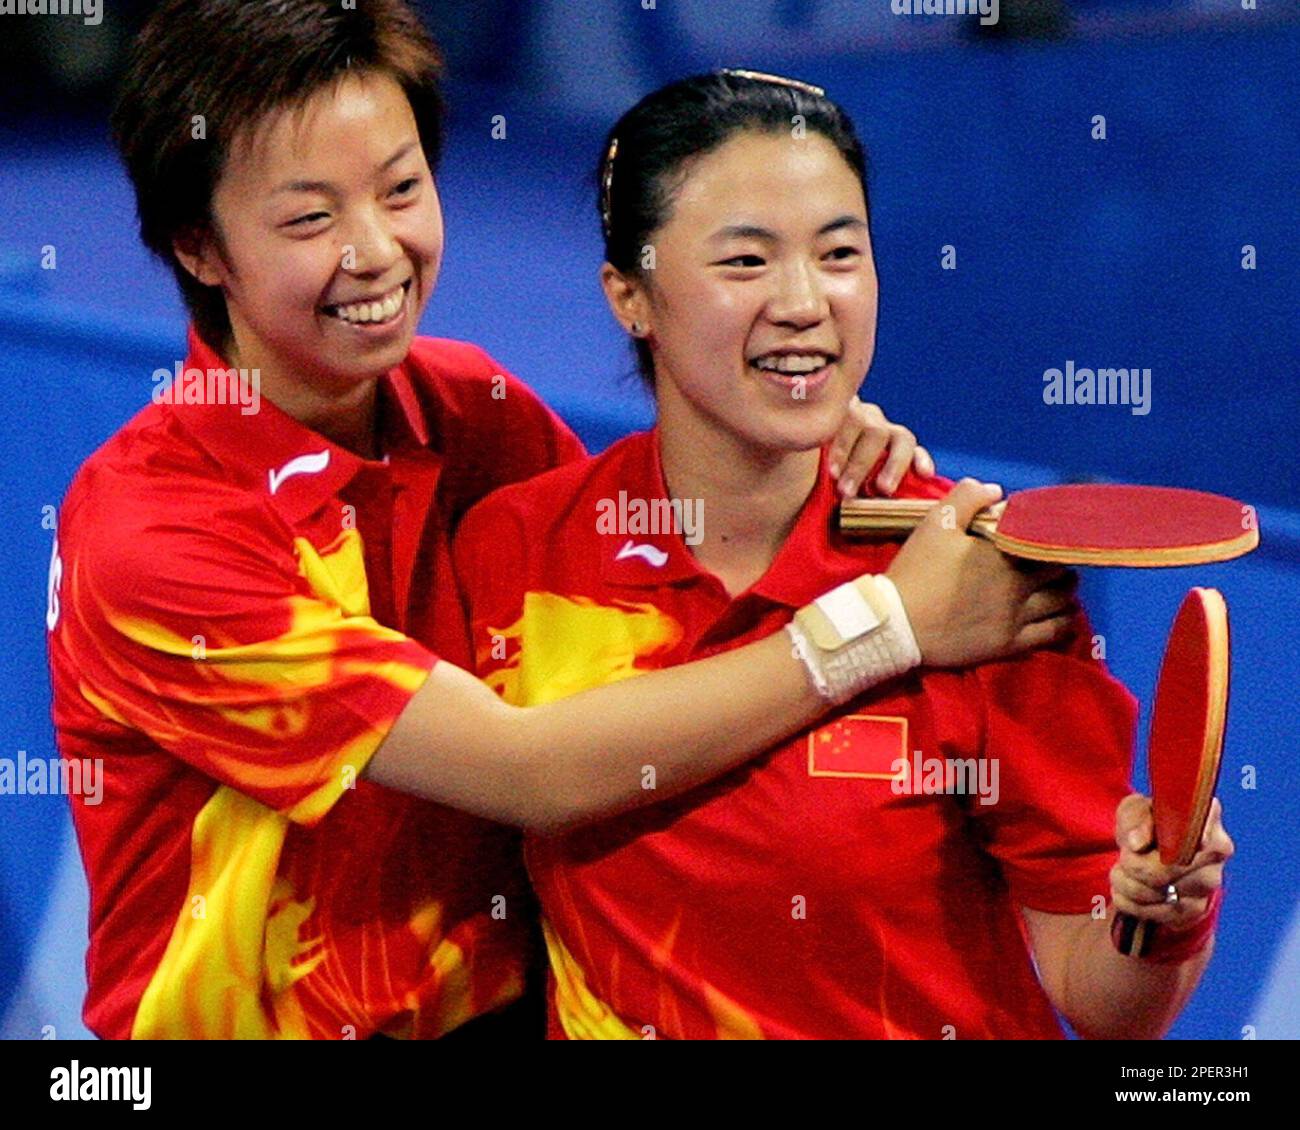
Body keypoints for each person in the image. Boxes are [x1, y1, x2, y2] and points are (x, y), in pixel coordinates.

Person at [47, 1, 1069, 1041]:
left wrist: (799, 423)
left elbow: (636, 569)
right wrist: (889, 622)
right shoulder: (157, 536)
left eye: (402, 189)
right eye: (310, 220)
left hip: (499, 1010)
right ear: (200, 246)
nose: (376, 251)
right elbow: (521, 765)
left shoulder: (467, 408)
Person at [453, 70, 1235, 1040]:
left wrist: (1159, 912)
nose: (803, 301)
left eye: (839, 253)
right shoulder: (517, 549)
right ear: (631, 294)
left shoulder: (978, 574)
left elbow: (1103, 996)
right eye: (744, 261)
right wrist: (884, 630)